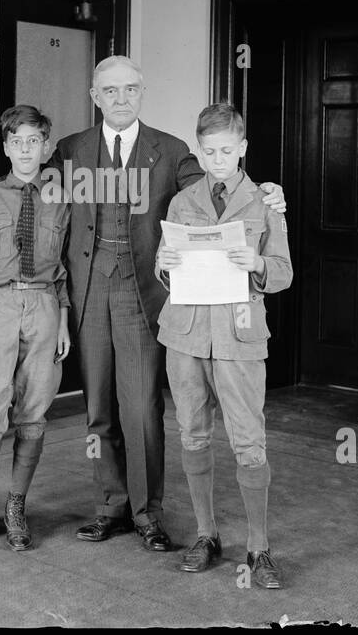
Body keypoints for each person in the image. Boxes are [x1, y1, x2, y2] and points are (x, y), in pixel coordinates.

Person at [47, 56, 285, 552]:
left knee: (142, 407)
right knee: (98, 409)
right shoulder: (72, 150)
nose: (120, 98)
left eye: (129, 89)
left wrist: (268, 192)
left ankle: (148, 513)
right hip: (90, 293)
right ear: (94, 95)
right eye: (109, 91)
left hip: (144, 294)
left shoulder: (172, 150)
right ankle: (109, 506)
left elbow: (218, 186)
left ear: (142, 92)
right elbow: (29, 183)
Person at [154, 102, 293, 588]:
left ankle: (259, 547)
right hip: (186, 336)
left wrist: (255, 263)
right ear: (200, 149)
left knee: (248, 442)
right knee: (192, 434)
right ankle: (205, 534)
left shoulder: (265, 202)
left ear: (243, 148)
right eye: (209, 151)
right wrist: (166, 261)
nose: (218, 159)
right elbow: (164, 269)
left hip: (238, 338)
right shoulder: (182, 202)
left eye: (227, 150)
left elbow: (283, 273)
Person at [0, 105, 72, 551]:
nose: (25, 150)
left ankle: (16, 505)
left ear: (46, 146)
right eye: (16, 142)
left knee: (35, 411)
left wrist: (61, 318)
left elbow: (65, 267)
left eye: (34, 142)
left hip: (42, 305)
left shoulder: (62, 198)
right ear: (5, 147)